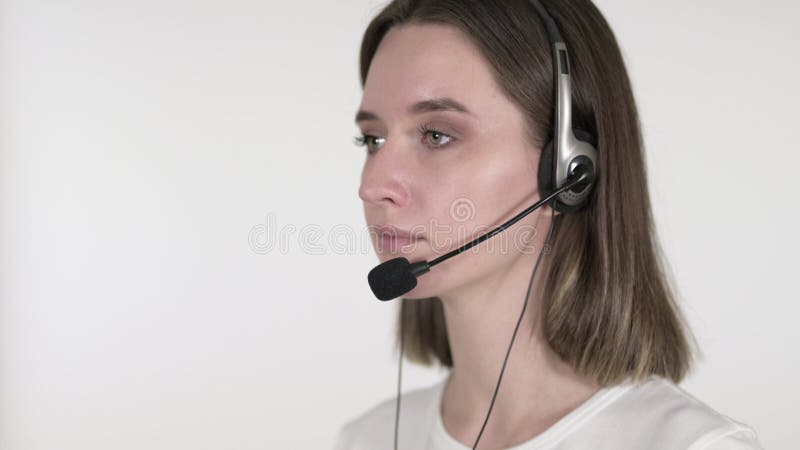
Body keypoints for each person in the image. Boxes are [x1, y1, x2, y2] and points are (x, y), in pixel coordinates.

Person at [336, 0, 763, 449]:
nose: (374, 184)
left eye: (437, 135)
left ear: (567, 170)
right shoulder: (368, 439)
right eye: (373, 139)